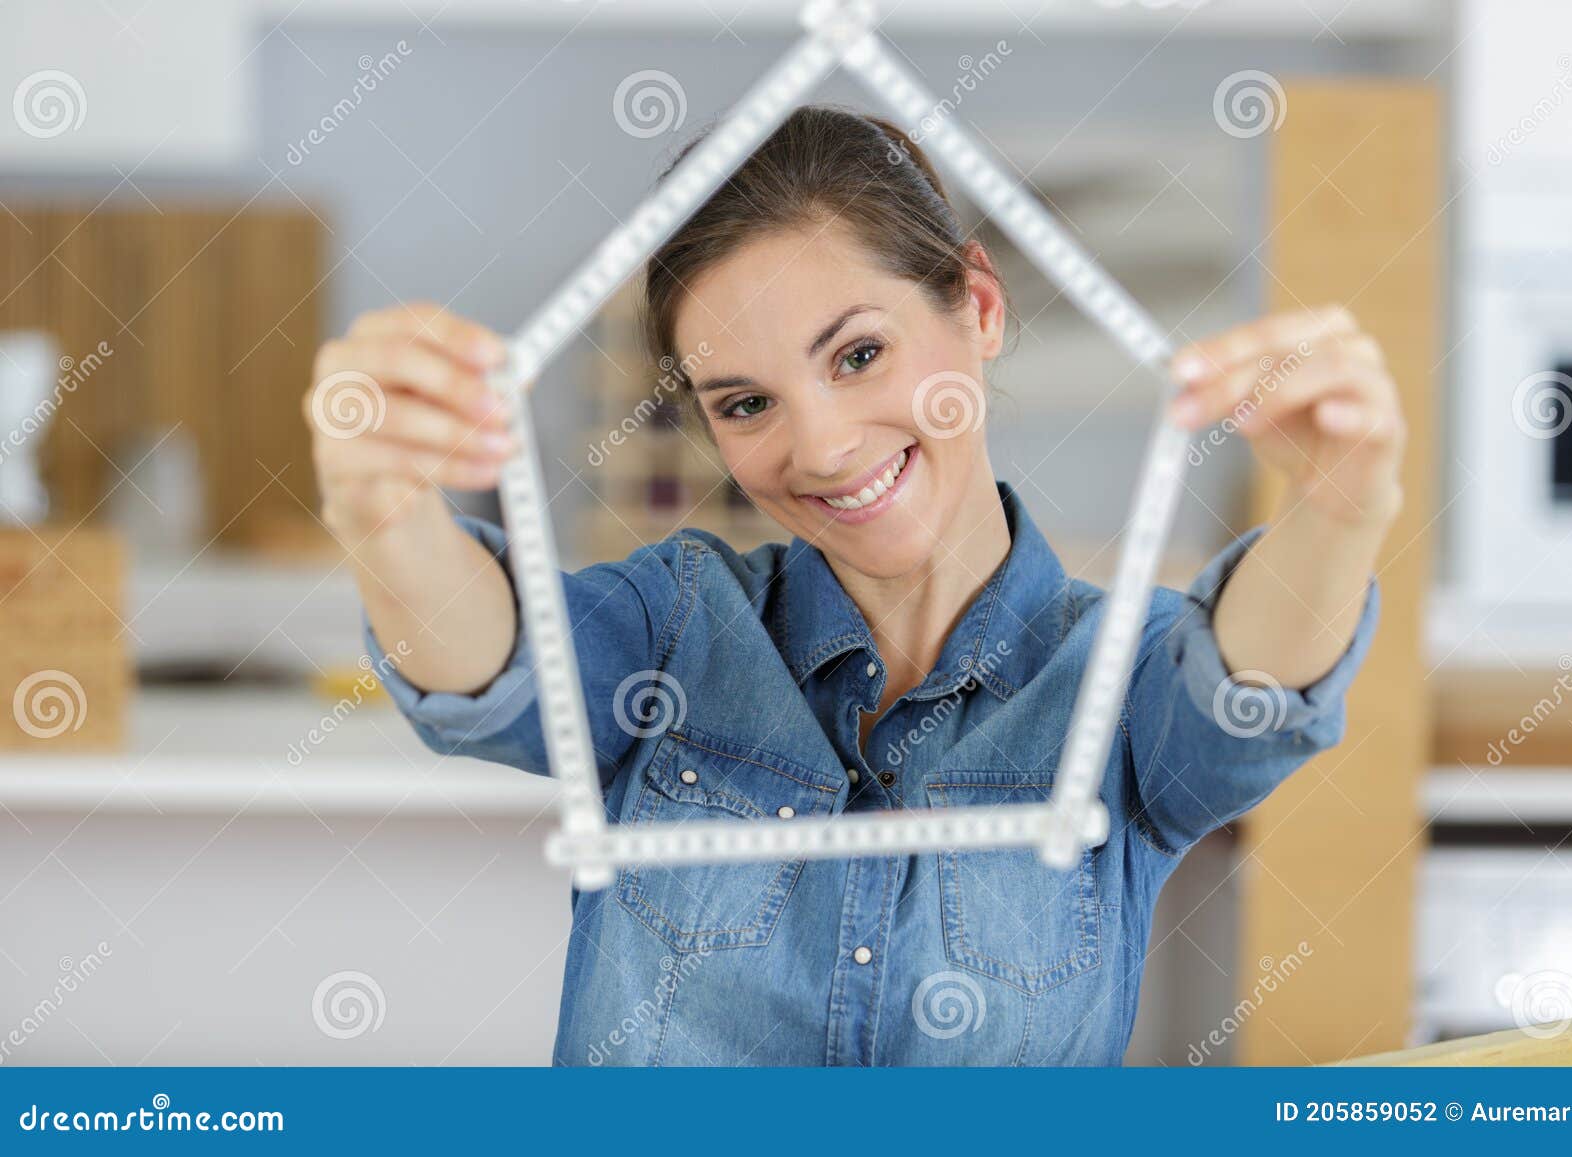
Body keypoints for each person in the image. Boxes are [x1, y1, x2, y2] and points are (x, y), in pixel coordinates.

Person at [305, 105, 1400, 1066]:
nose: (820, 448)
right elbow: (487, 659)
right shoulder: (673, 629)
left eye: (858, 354)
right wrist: (384, 519)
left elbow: (1244, 692)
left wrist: (1337, 509)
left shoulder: (1114, 683)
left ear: (977, 307)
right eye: (744, 403)